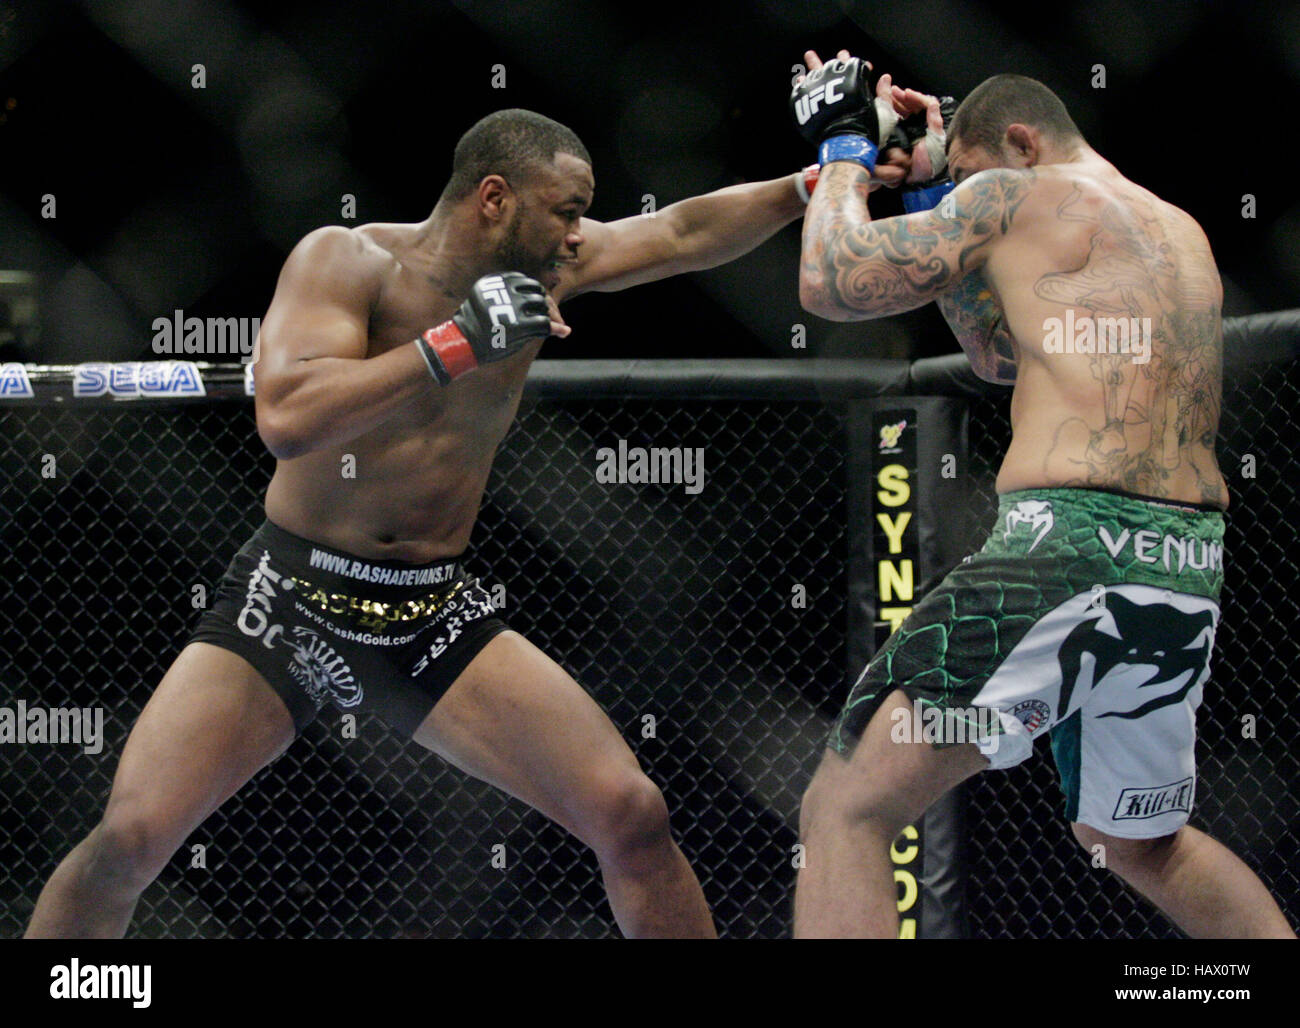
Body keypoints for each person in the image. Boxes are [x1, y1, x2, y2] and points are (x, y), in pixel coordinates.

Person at [26, 107, 810, 939]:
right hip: (291, 596)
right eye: (567, 211)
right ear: (495, 198)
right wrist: (456, 343)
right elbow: (287, 417)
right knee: (131, 839)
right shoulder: (348, 260)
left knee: (630, 812)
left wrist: (810, 185)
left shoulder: (550, 274)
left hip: (429, 610)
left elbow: (685, 230)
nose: (581, 236)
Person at [790, 51, 1295, 938]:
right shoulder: (1179, 230)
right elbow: (999, 353)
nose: (963, 202)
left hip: (1064, 548)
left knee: (848, 808)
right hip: (1183, 563)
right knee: (1139, 842)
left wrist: (842, 150)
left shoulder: (1012, 193)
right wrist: (923, 197)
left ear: (1020, 142)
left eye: (967, 183)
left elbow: (832, 279)